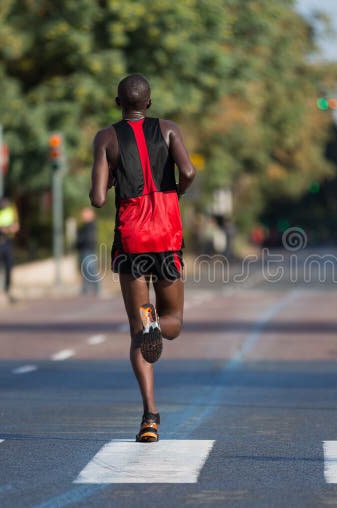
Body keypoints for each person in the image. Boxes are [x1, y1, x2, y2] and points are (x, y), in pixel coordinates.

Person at [89, 74, 196, 443]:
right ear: (149, 102)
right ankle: (157, 326)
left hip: (131, 239)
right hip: (167, 234)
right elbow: (189, 171)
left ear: (118, 102)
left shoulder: (106, 138)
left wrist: (111, 179)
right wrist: (175, 193)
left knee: (139, 332)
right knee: (174, 322)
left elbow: (98, 199)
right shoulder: (168, 129)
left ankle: (150, 417)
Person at [75, 206, 99, 295]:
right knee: (85, 270)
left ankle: (97, 288)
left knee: (90, 269)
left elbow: (88, 239)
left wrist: (79, 242)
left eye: (85, 213)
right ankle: (85, 289)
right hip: (84, 250)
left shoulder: (90, 226)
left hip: (88, 250)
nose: (83, 215)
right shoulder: (84, 226)